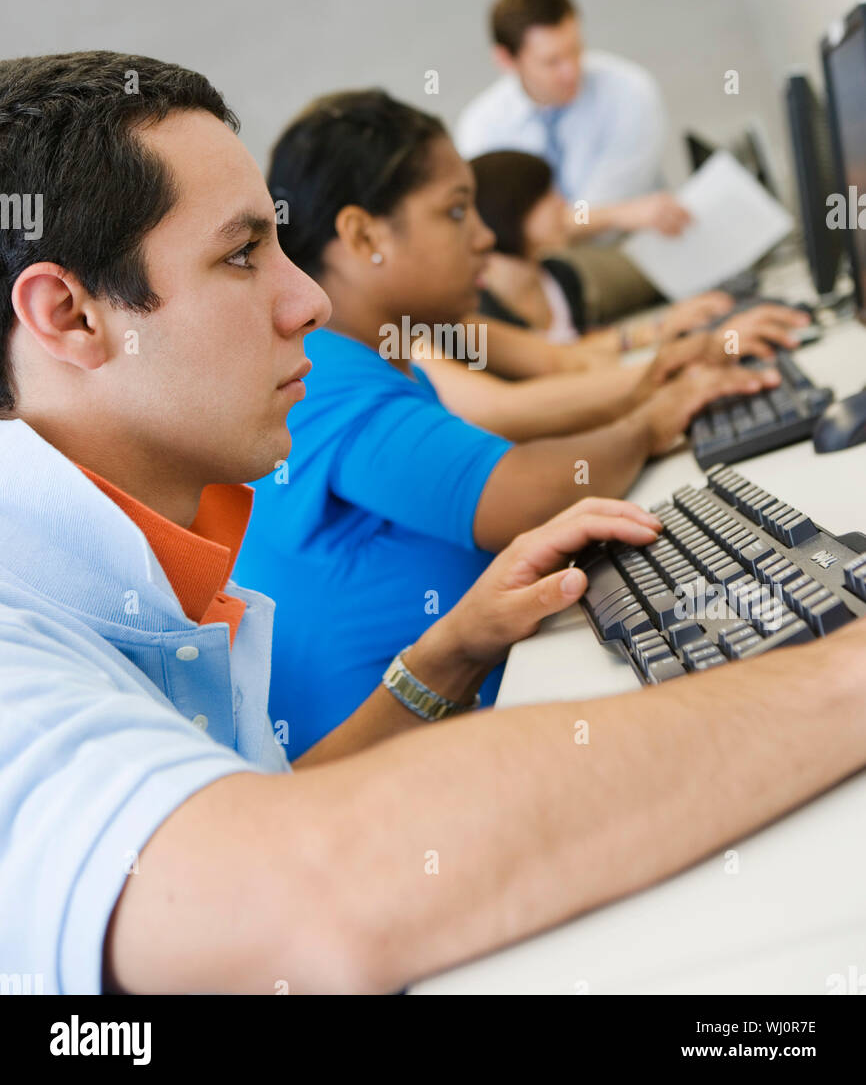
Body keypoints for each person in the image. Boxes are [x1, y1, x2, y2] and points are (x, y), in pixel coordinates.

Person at [5, 51, 862, 1000]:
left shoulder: (156, 556)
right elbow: (310, 887)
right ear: (72, 316)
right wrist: (844, 674)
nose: (310, 302)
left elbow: (267, 808)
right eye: (241, 254)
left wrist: (447, 653)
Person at [241, 88, 799, 753]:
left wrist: (650, 398)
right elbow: (521, 494)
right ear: (364, 235)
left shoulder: (378, 361)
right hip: (404, 776)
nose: (482, 236)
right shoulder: (321, 379)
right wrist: (651, 423)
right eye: (455, 212)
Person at [454, 0, 690, 240]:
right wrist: (616, 213)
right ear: (506, 60)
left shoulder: (629, 92)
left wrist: (601, 217)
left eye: (575, 50)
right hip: (545, 262)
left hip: (627, 247)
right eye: (552, 62)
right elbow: (498, 230)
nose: (571, 71)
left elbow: (587, 216)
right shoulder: (482, 125)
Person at [469, 147, 734, 348]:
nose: (561, 203)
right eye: (545, 196)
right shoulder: (479, 312)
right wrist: (659, 328)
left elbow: (585, 344)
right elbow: (560, 360)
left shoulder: (561, 277)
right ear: (506, 213)